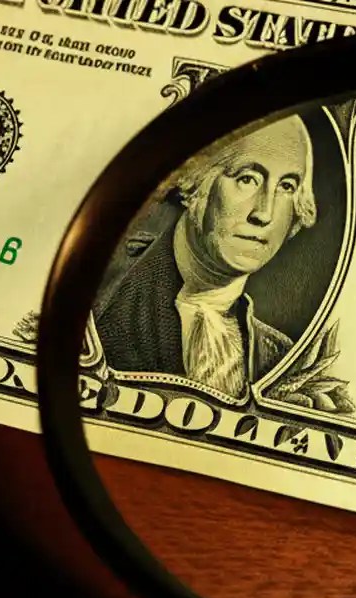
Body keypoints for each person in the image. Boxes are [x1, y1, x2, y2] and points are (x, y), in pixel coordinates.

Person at [92, 115, 318, 397]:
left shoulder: (280, 359)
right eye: (247, 179)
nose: (264, 213)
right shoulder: (101, 300)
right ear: (196, 180)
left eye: (286, 187)